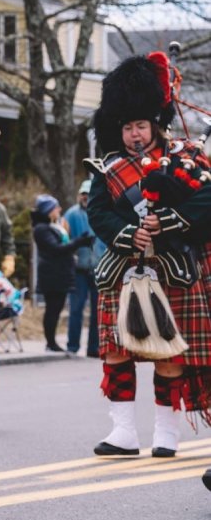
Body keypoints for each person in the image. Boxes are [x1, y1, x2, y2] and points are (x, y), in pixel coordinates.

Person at [85, 51, 211, 460]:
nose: (134, 134)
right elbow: (98, 212)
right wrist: (127, 235)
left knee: (167, 353)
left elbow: (206, 204)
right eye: (127, 127)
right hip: (122, 268)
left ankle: (166, 434)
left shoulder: (186, 159)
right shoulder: (108, 167)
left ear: (156, 123)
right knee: (117, 350)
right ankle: (122, 431)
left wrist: (169, 222)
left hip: (172, 269)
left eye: (140, 125)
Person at [32, 195, 93, 352]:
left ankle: (51, 342)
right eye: (56, 207)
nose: (59, 210)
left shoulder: (54, 226)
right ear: (48, 211)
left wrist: (78, 241)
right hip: (52, 275)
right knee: (52, 309)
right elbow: (56, 249)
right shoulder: (41, 229)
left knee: (56, 309)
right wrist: (79, 242)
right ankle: (50, 342)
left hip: (59, 273)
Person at [65, 180, 101, 356]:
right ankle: (73, 346)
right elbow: (64, 239)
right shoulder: (71, 215)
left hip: (99, 268)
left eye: (89, 193)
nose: (86, 196)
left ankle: (94, 348)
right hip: (78, 268)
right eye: (83, 193)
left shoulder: (102, 211)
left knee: (98, 311)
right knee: (76, 308)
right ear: (79, 195)